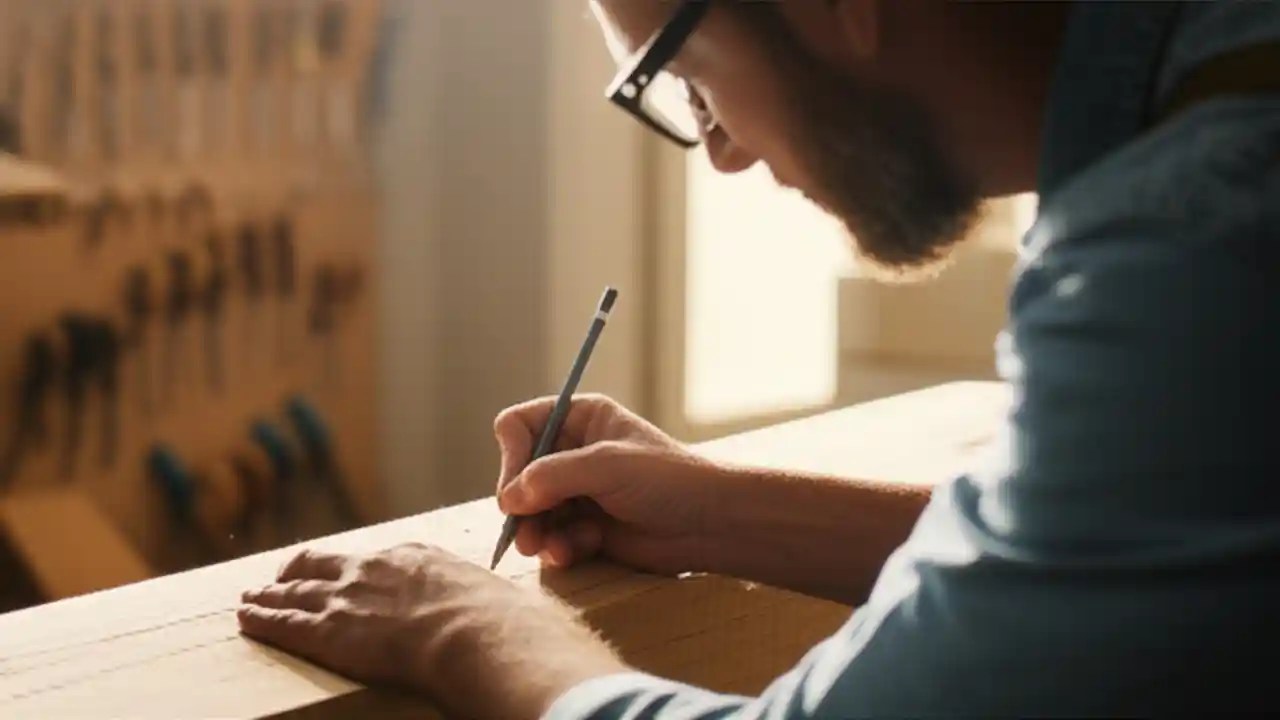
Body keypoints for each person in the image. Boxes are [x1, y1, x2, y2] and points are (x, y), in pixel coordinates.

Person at [236, 1, 1280, 716]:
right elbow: (1097, 553)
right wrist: (714, 509)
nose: (722, 150)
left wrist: (466, 629)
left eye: (683, 72)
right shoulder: (1205, 87)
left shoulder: (1195, 239)